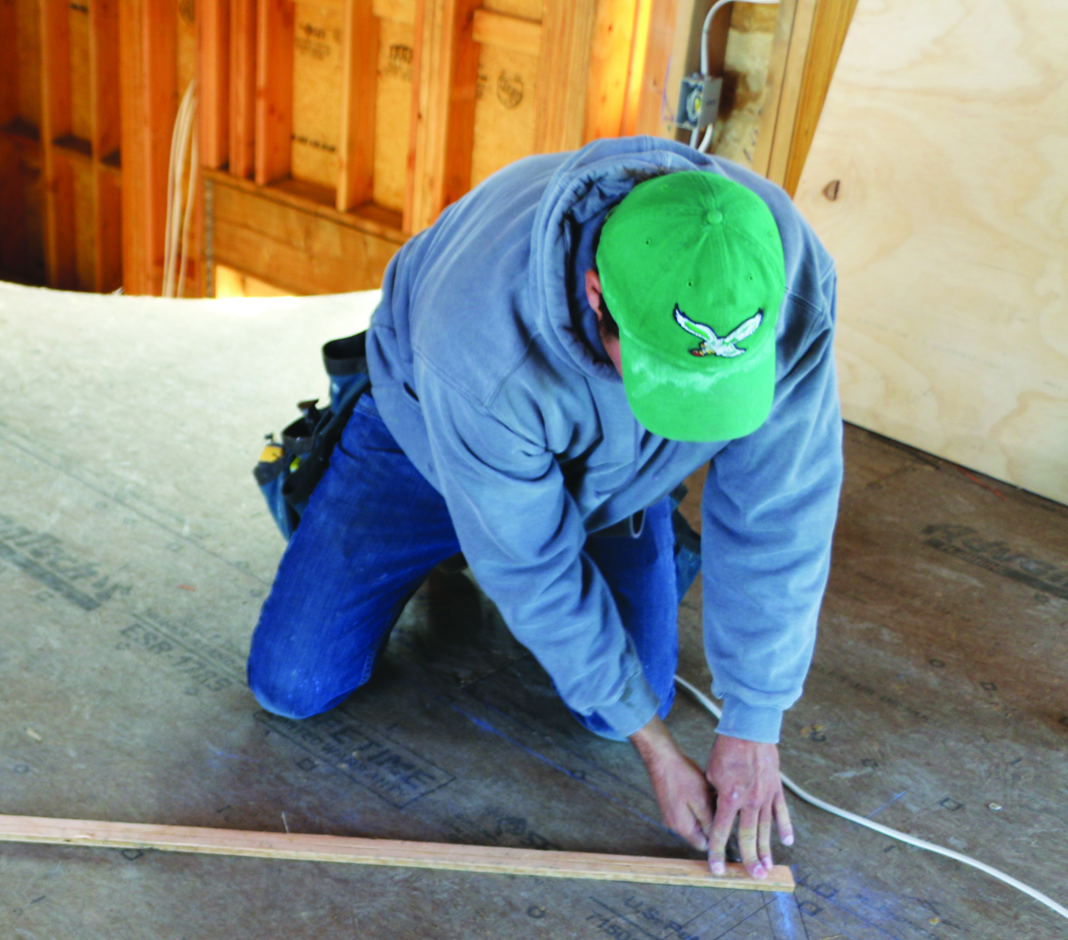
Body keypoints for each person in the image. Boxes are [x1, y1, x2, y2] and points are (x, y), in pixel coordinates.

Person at [248, 137, 841, 881]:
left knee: (623, 702)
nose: (692, 411)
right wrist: (657, 752)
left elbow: (780, 508)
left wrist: (755, 720)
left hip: (616, 469)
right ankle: (348, 472)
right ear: (596, 295)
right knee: (293, 685)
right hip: (429, 432)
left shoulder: (786, 279)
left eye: (709, 395)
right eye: (669, 381)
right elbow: (532, 568)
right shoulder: (480, 343)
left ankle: (626, 510)